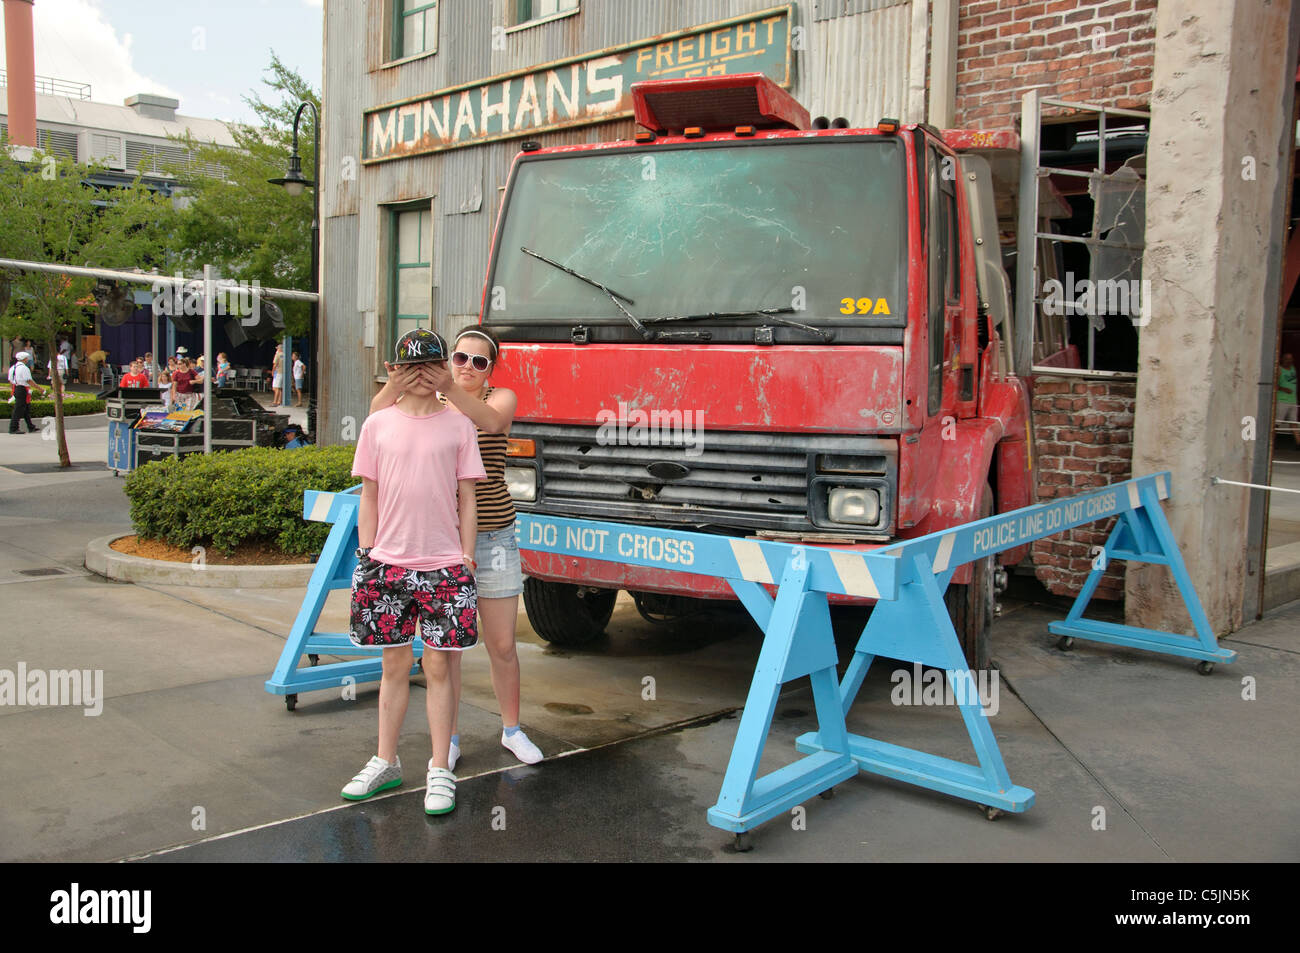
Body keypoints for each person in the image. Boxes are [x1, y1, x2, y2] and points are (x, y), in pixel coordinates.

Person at [370, 324, 542, 768]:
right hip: (444, 544)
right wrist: (398, 380)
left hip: (495, 535)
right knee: (449, 652)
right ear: (448, 359)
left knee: (502, 644)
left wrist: (445, 387)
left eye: (478, 362)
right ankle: (448, 738)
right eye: (459, 358)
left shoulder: (496, 399)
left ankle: (512, 729)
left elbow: (493, 423)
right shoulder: (431, 399)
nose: (467, 367)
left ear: (490, 371)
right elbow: (376, 417)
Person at [341, 328, 485, 815]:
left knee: (441, 665)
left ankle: (440, 768)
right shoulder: (378, 425)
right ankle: (386, 760)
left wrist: (466, 557)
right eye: (411, 367)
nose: (422, 376)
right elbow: (369, 494)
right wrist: (366, 553)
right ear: (395, 371)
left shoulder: (459, 424)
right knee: (393, 665)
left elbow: (468, 497)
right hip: (386, 562)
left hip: (445, 565)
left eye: (431, 366)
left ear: (444, 369)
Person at [7, 352, 41, 434]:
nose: (28, 359)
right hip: (22, 389)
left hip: (17, 388)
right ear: (24, 359)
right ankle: (13, 428)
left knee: (26, 409)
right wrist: (40, 388)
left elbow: (10, 381)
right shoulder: (24, 368)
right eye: (27, 358)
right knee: (18, 409)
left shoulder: (13, 367)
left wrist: (13, 391)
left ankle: (30, 426)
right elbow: (29, 380)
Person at [1279, 353, 1299, 448]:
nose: (1289, 361)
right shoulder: (1279, 370)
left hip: (1293, 401)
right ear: (1282, 359)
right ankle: (1270, 443)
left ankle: (1299, 444)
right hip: (1282, 400)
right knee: (1276, 423)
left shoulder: (1292, 369)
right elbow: (1273, 385)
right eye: (1287, 359)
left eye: (1290, 359)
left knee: (1294, 424)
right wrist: (1283, 389)